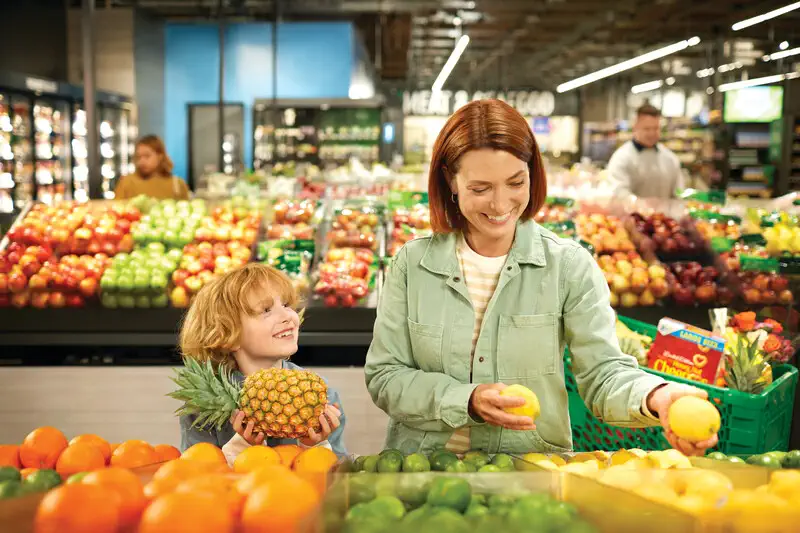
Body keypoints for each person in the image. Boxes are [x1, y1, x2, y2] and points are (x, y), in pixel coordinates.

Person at [364, 99, 717, 457]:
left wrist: (656, 396)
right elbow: (385, 376)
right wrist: (465, 400)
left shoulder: (569, 266)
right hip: (420, 472)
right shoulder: (413, 264)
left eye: (516, 182)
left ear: (533, 172)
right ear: (450, 182)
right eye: (480, 188)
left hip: (528, 471)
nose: (501, 205)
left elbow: (603, 373)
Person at [178, 263, 347, 463]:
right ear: (227, 335)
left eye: (286, 305)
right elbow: (195, 478)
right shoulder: (203, 407)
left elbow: (339, 480)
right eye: (266, 310)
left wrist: (315, 446)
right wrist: (241, 448)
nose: (287, 317)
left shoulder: (322, 394)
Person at [607, 104, 684, 199]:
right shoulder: (622, 157)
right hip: (632, 213)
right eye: (646, 129)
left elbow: (678, 193)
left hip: (665, 214)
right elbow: (619, 192)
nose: (652, 133)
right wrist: (641, 206)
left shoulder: (670, 158)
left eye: (655, 128)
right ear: (635, 128)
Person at [114, 135, 190, 200]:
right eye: (138, 157)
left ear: (160, 156)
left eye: (147, 156)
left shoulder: (178, 184)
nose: (142, 161)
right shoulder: (127, 183)